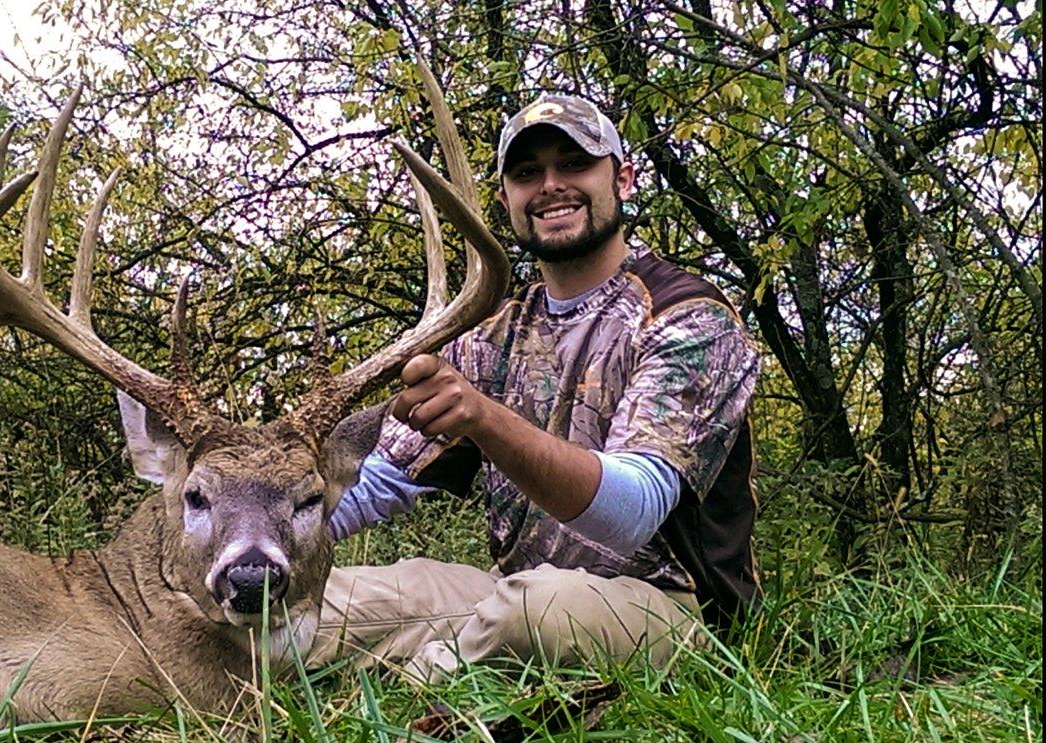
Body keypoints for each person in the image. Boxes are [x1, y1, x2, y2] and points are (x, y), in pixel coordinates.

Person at [307, 94, 761, 681]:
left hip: (673, 610)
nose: (550, 185)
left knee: (533, 611)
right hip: (506, 592)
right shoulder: (491, 333)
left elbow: (634, 512)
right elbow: (374, 486)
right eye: (527, 174)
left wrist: (484, 418)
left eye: (574, 165)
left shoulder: (687, 316)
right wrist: (253, 522)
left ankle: (431, 676)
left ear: (622, 177)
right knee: (317, 605)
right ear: (506, 200)